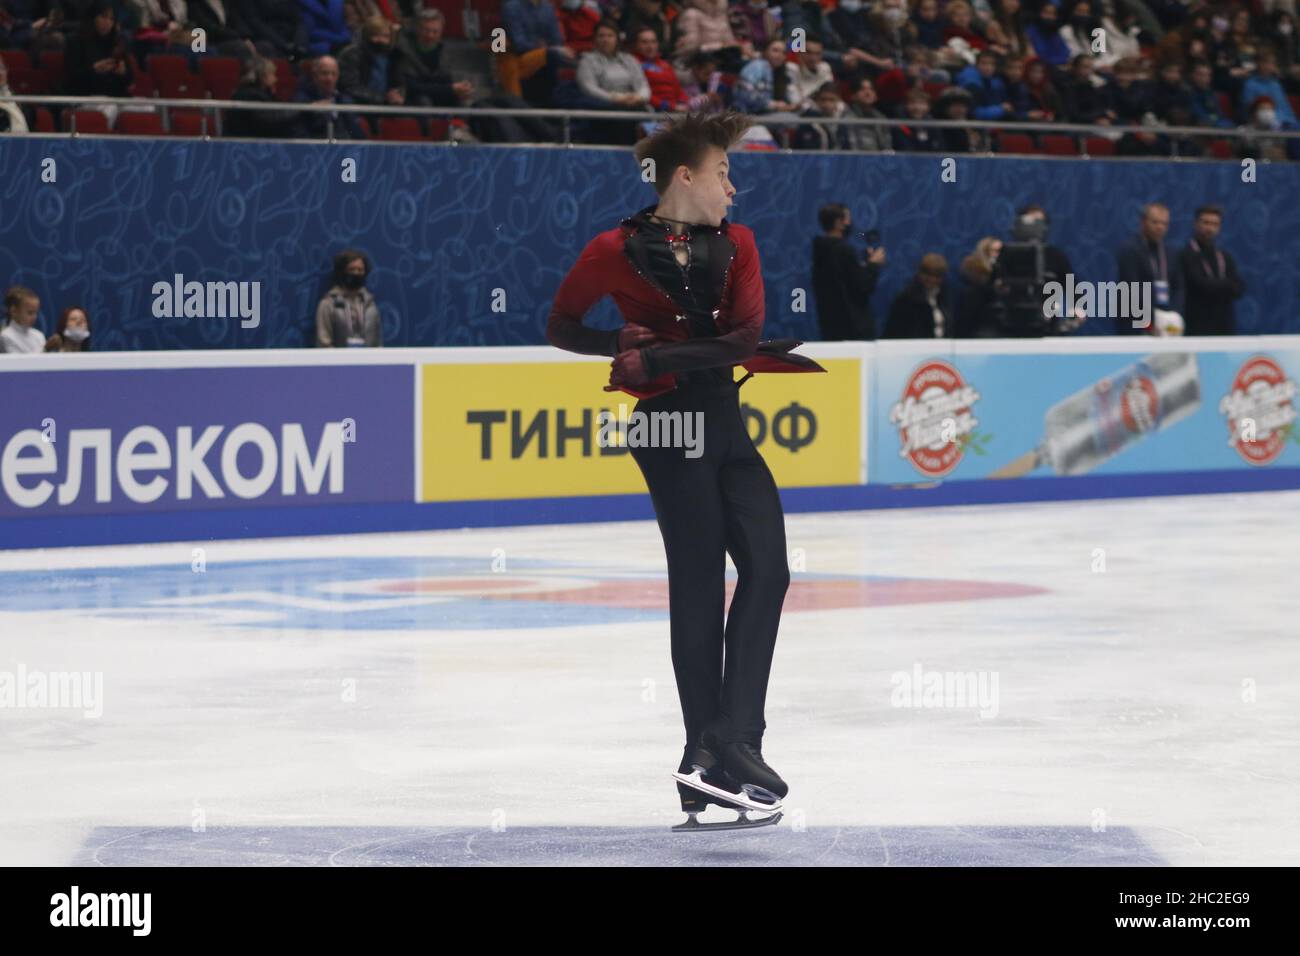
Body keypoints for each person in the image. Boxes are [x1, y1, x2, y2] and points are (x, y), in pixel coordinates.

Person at [545, 111, 824, 826]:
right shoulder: (612, 248)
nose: (734, 187)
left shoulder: (741, 245)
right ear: (685, 177)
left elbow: (744, 337)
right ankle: (708, 755)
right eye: (724, 172)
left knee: (770, 568)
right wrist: (617, 339)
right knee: (698, 582)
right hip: (669, 428)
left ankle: (729, 742)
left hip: (725, 422)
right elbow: (561, 326)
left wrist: (655, 357)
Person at [811, 202, 884, 340]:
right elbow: (863, 286)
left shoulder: (819, 251)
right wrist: (873, 265)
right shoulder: (843, 251)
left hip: (830, 325)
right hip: (852, 327)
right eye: (848, 219)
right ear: (839, 223)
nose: (850, 223)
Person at [1116, 201, 1184, 334]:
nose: (1160, 227)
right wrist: (1152, 321)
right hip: (1136, 323)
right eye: (1155, 222)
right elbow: (1131, 288)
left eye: (1164, 223)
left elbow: (1179, 287)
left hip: (1167, 322)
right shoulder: (1130, 250)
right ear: (1143, 222)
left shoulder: (1171, 252)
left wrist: (1173, 315)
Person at [1178, 205, 1244, 336]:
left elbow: (1239, 287)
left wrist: (1213, 285)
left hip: (1225, 327)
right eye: (1206, 223)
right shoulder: (1185, 255)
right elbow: (1199, 284)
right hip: (1196, 327)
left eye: (1215, 224)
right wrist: (1226, 285)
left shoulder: (1225, 257)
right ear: (1195, 224)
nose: (1210, 228)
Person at [316, 249, 383, 346]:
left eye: (360, 270)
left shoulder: (370, 304)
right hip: (338, 360)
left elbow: (378, 343)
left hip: (368, 360)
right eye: (351, 269)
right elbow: (324, 343)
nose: (356, 273)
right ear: (342, 271)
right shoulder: (328, 304)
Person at [883, 253, 953, 338]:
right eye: (928, 274)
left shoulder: (945, 297)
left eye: (937, 276)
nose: (932, 279)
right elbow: (895, 332)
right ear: (920, 274)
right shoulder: (906, 299)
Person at [1, 286, 47, 353]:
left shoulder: (39, 336)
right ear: (14, 311)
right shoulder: (5, 336)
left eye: (36, 312)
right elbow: (20, 362)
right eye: (30, 313)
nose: (34, 317)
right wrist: (46, 349)